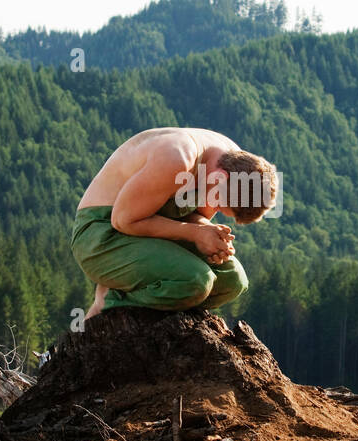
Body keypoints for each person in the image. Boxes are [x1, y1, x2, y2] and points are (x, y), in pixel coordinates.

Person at [72, 127, 278, 318]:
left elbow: (193, 215)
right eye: (220, 204)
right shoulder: (176, 159)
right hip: (102, 234)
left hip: (149, 230)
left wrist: (209, 232)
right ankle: (108, 301)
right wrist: (196, 234)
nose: (215, 208)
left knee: (233, 281)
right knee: (195, 280)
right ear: (219, 179)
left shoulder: (231, 161)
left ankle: (163, 311)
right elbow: (123, 220)